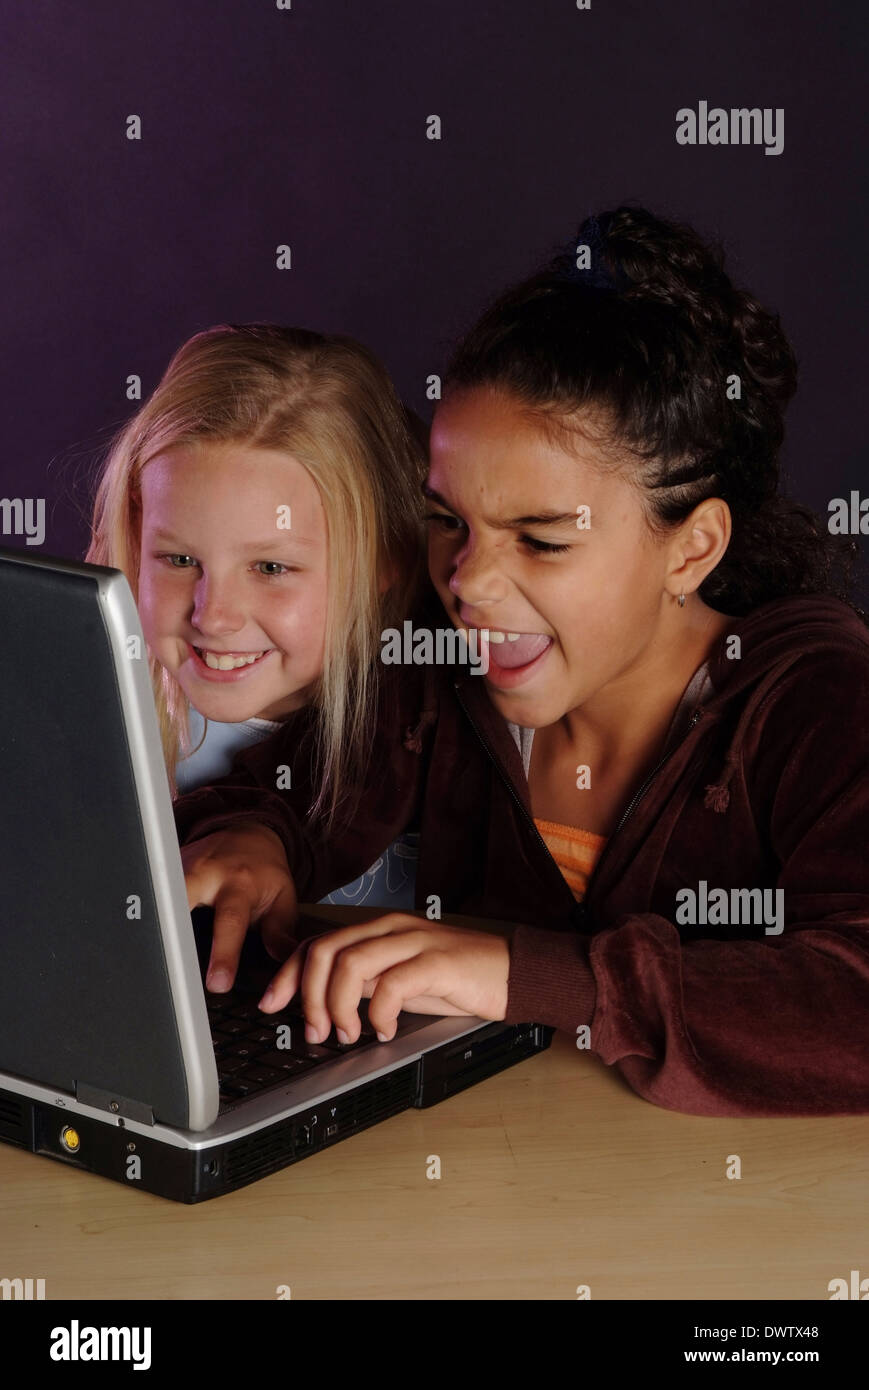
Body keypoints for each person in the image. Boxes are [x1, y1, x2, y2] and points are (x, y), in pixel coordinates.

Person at [173, 209, 869, 1114]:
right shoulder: (439, 668)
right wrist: (259, 841)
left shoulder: (815, 700)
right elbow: (308, 790)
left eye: (540, 541)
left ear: (691, 548)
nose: (471, 585)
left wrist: (528, 976)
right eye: (449, 521)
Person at [87, 322, 427, 978]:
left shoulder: (434, 715)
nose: (213, 615)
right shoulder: (87, 718)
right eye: (180, 558)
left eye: (271, 567)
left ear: (384, 561)